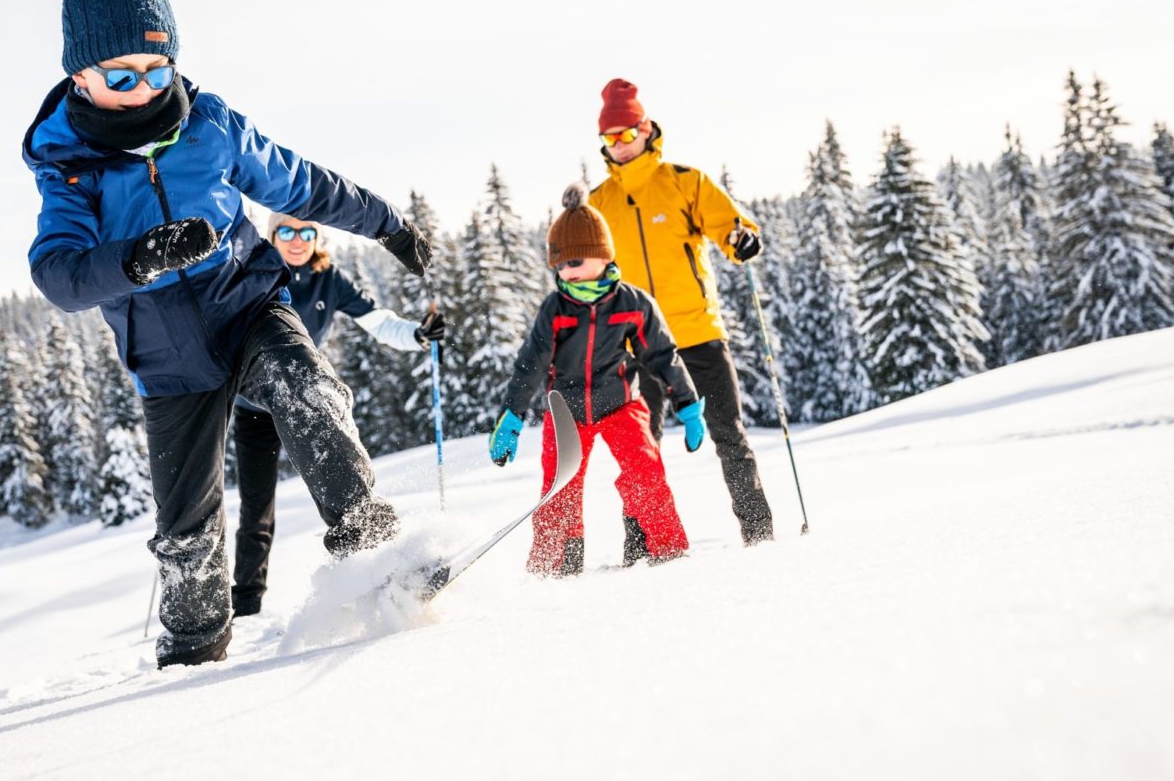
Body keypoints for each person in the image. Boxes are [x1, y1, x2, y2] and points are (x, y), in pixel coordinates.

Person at [21, 0, 432, 668]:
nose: (147, 89)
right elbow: (58, 273)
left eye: (160, 69)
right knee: (187, 534)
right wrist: (138, 260)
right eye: (123, 76)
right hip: (166, 357)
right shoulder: (69, 165)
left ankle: (372, 552)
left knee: (310, 390)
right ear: (80, 76)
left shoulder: (208, 125)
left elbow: (302, 183)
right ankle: (194, 651)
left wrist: (387, 223)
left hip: (246, 305)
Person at [586, 78, 775, 546]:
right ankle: (642, 547)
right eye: (611, 137)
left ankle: (760, 534)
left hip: (696, 330)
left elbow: (730, 225)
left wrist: (740, 238)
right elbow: (587, 274)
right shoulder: (599, 204)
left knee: (728, 433)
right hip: (636, 344)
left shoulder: (684, 181)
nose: (621, 144)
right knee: (640, 451)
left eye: (627, 133)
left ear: (647, 129)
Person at [231, 212, 446, 618]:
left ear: (317, 237)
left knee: (336, 475)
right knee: (256, 506)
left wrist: (416, 335)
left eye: (306, 232)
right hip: (254, 408)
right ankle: (246, 602)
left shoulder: (329, 280)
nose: (297, 240)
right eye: (287, 232)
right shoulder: (254, 275)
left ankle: (367, 563)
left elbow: (377, 320)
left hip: (305, 402)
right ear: (272, 237)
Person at [487, 186, 706, 576]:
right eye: (560, 264)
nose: (566, 272)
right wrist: (512, 415)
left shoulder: (632, 304)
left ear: (603, 256)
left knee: (646, 473)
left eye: (575, 261)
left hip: (622, 402)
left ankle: (670, 553)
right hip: (566, 410)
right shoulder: (556, 308)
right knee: (559, 491)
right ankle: (556, 568)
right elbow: (531, 364)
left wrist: (687, 405)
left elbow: (661, 355)